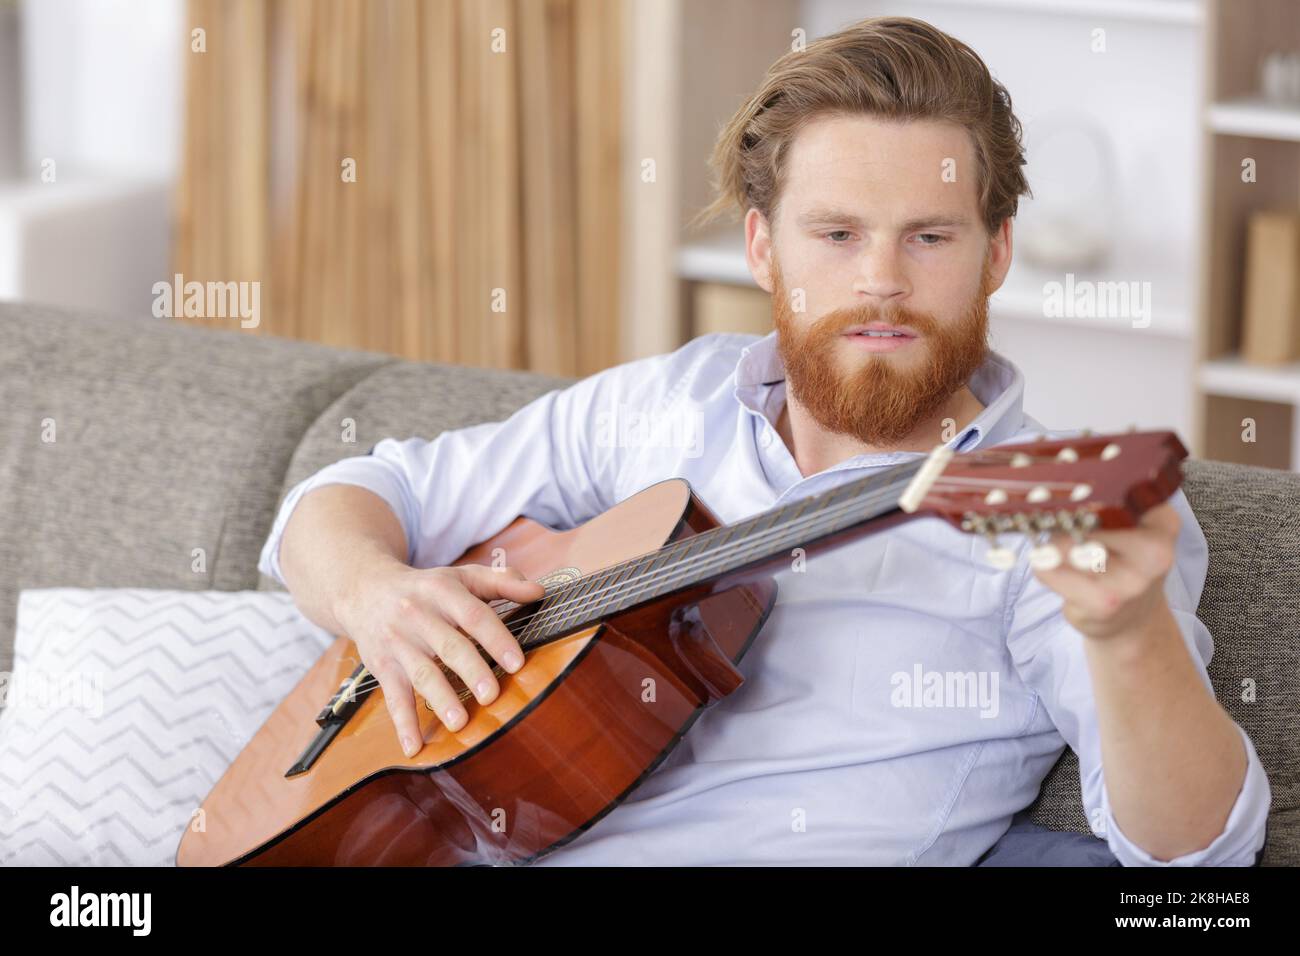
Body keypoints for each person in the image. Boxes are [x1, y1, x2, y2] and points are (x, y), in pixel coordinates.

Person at [259, 16, 1269, 866]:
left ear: (995, 252)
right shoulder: (666, 403)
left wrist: (1129, 633)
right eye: (834, 235)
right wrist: (373, 593)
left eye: (929, 235)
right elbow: (347, 499)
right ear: (760, 247)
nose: (881, 278)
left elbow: (1195, 858)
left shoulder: (1063, 517)